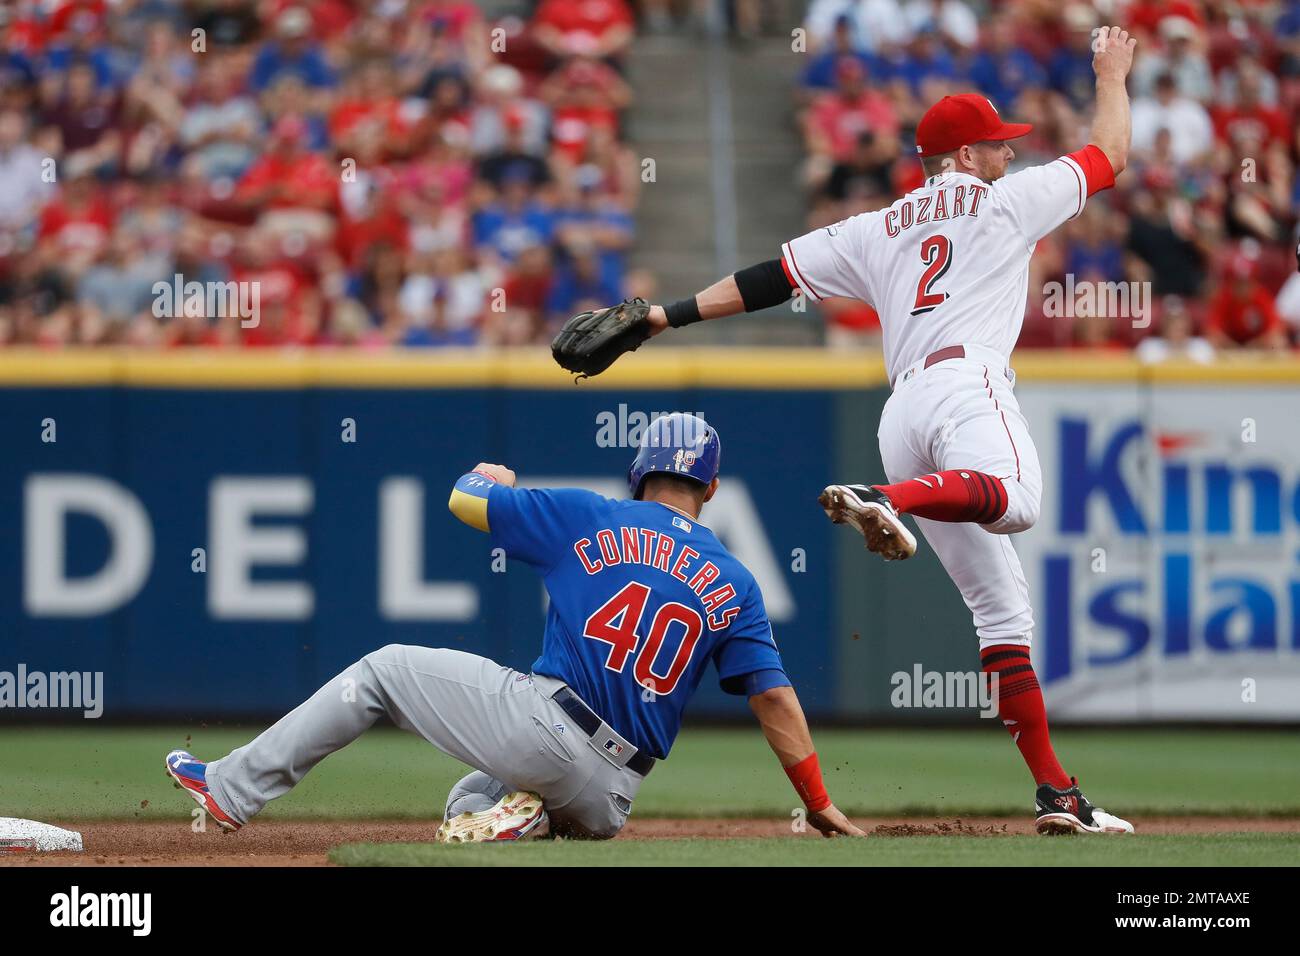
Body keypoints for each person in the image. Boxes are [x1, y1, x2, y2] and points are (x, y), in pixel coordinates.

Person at [574, 28, 1143, 836]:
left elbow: (770, 278)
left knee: (1002, 610)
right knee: (1016, 500)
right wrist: (1112, 72)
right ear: (968, 155)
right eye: (998, 145)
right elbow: (1110, 152)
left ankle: (1058, 795)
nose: (1009, 157)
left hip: (901, 410)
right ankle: (888, 499)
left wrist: (663, 317)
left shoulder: (878, 226)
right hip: (964, 384)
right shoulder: (1006, 202)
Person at [165, 414, 863, 842]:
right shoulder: (735, 583)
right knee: (471, 801)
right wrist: (821, 805)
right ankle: (534, 818)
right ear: (711, 489)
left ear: (638, 473)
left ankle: (229, 791)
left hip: (548, 729)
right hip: (613, 795)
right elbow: (774, 700)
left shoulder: (593, 514)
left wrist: (486, 475)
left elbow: (464, 503)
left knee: (380, 669)